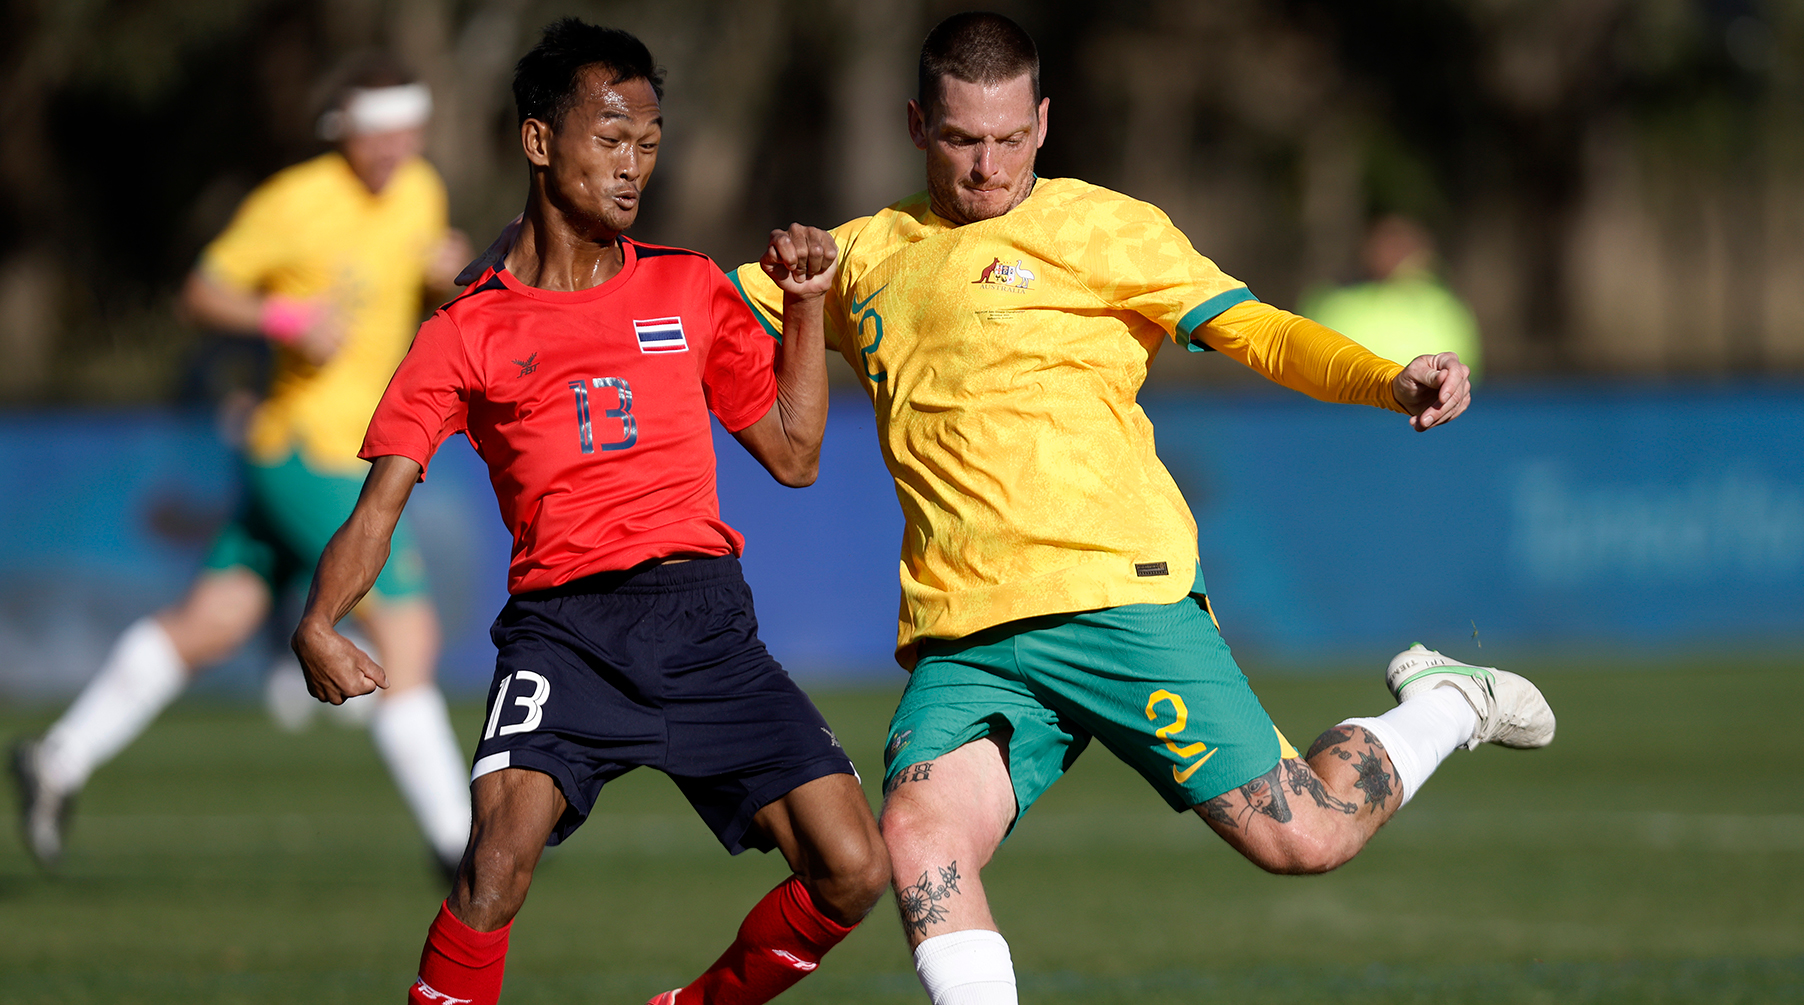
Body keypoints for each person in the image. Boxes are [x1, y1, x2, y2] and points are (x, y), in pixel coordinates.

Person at [721, 13, 1556, 1005]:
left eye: (1007, 138)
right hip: (966, 636)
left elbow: (1259, 331)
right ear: (915, 124)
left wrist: (1388, 379)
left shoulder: (1109, 230)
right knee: (919, 839)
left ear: (1043, 121)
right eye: (959, 139)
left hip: (1118, 596)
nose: (986, 165)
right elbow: (679, 320)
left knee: (1307, 838)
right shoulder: (862, 256)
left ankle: (1444, 702)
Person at [291, 21, 888, 1005]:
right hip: (566, 636)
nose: (632, 166)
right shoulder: (464, 332)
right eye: (610, 139)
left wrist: (808, 303)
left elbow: (795, 454)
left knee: (855, 870)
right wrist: (320, 619)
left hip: (707, 628)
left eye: (648, 144)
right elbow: (378, 508)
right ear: (538, 143)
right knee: (491, 871)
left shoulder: (688, 286)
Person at [12, 56, 474, 873]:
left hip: (315, 454)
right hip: (313, 450)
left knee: (214, 620)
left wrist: (446, 283)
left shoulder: (421, 193)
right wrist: (282, 315)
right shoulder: (294, 202)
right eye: (380, 135)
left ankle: (59, 758)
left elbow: (421, 306)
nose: (397, 149)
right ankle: (457, 842)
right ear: (346, 134)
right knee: (409, 627)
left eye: (409, 132)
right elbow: (200, 293)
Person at [1299, 213, 1483, 369]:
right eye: (1388, 246)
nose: (1396, 256)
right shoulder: (1335, 301)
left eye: (1403, 247)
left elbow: (1465, 365)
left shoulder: (1445, 305)